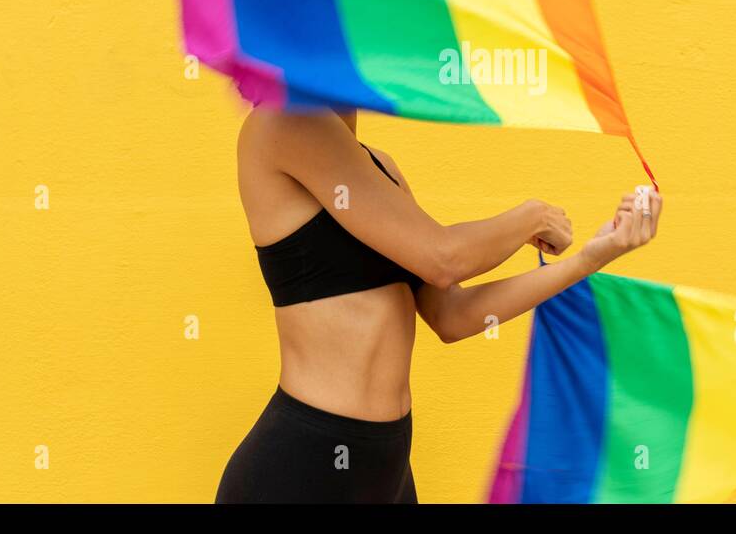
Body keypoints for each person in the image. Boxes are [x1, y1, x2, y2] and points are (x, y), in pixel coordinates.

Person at [214, 106, 662, 503]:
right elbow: (443, 257)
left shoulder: (379, 168)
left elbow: (454, 316)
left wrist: (594, 255)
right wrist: (533, 216)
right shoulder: (282, 122)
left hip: (386, 468)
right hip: (303, 469)